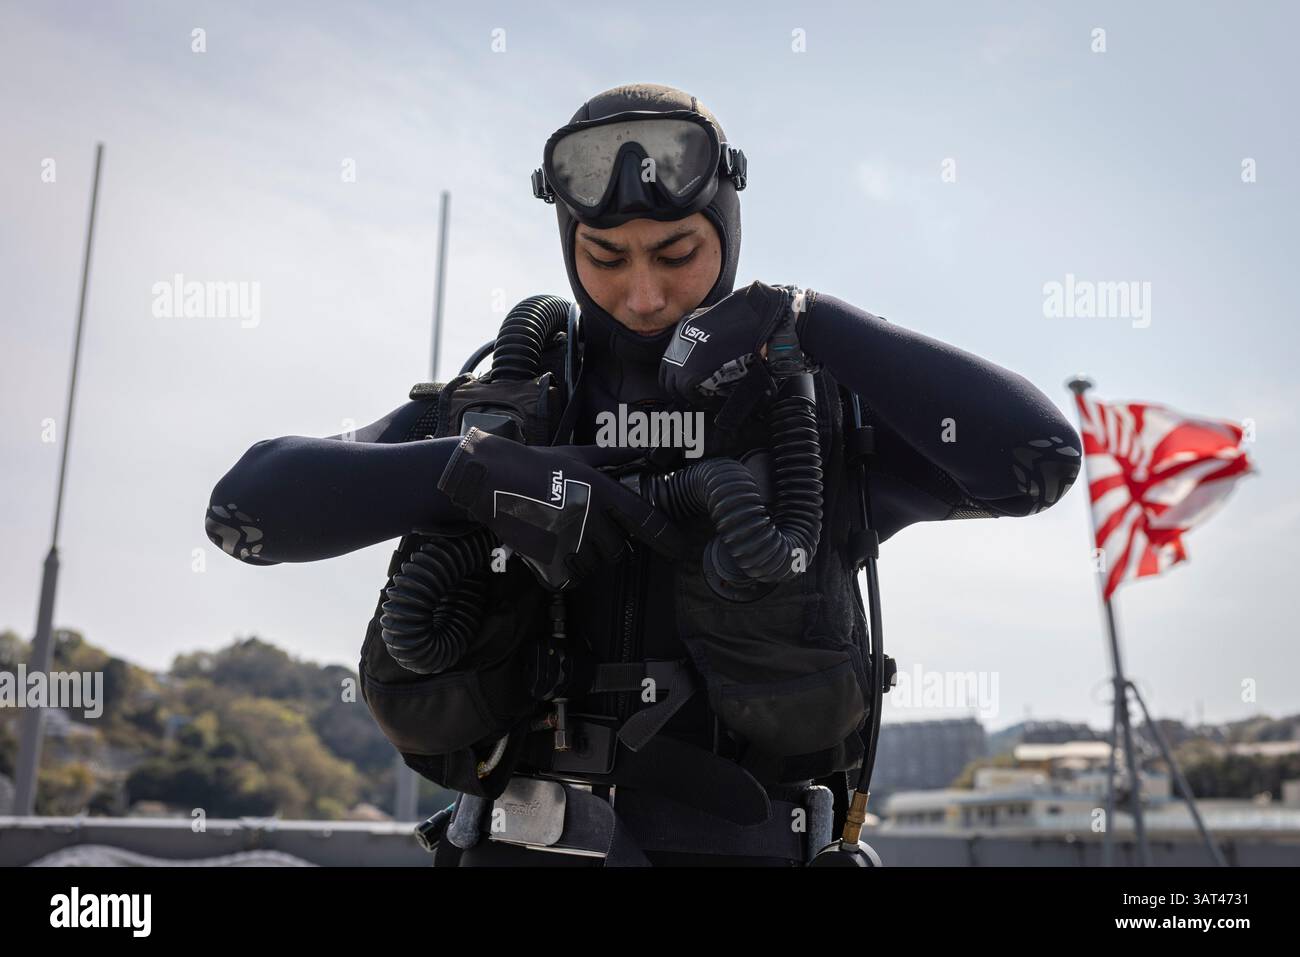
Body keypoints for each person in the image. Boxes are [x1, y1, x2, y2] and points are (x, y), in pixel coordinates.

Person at [206, 83, 1083, 866]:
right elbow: (246, 511)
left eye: (675, 253)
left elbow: (1035, 459)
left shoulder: (816, 421)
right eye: (605, 256)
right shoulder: (506, 411)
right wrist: (470, 471)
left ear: (728, 230)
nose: (643, 295)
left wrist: (818, 325)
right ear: (567, 243)